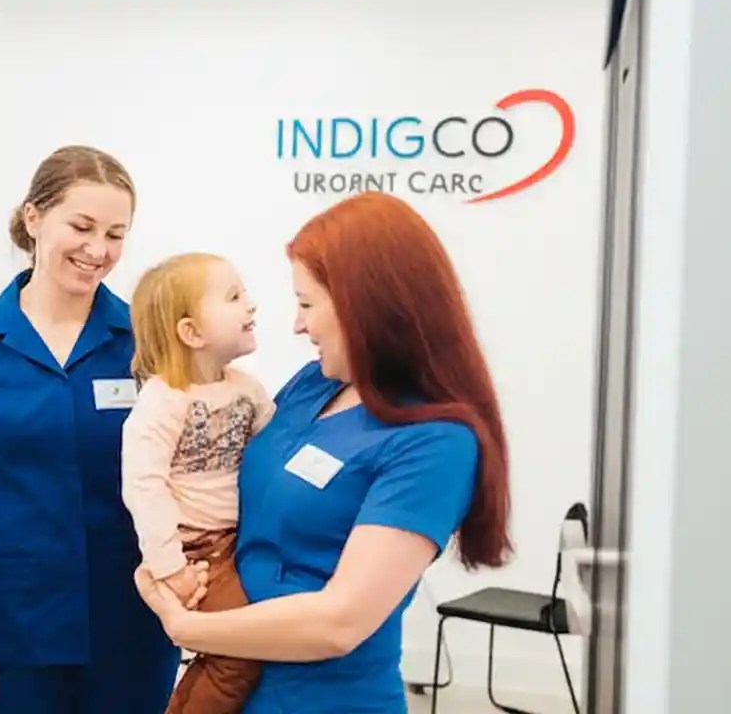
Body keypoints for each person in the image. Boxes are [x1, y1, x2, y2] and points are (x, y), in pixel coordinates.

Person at [134, 191, 513, 713]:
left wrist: (185, 626)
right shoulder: (313, 385)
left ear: (367, 306)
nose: (297, 325)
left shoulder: (436, 442)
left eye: (307, 305)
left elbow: (340, 622)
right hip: (237, 688)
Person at [0, 145, 187, 714]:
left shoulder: (145, 341)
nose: (98, 250)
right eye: (81, 227)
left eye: (115, 235)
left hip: (132, 625)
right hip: (12, 630)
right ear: (33, 218)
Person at [121, 251, 274, 714]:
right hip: (196, 549)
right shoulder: (161, 402)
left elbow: (276, 450)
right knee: (238, 655)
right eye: (233, 297)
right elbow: (144, 488)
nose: (251, 304)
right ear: (192, 333)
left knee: (224, 654)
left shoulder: (247, 389)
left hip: (240, 540)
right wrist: (170, 569)